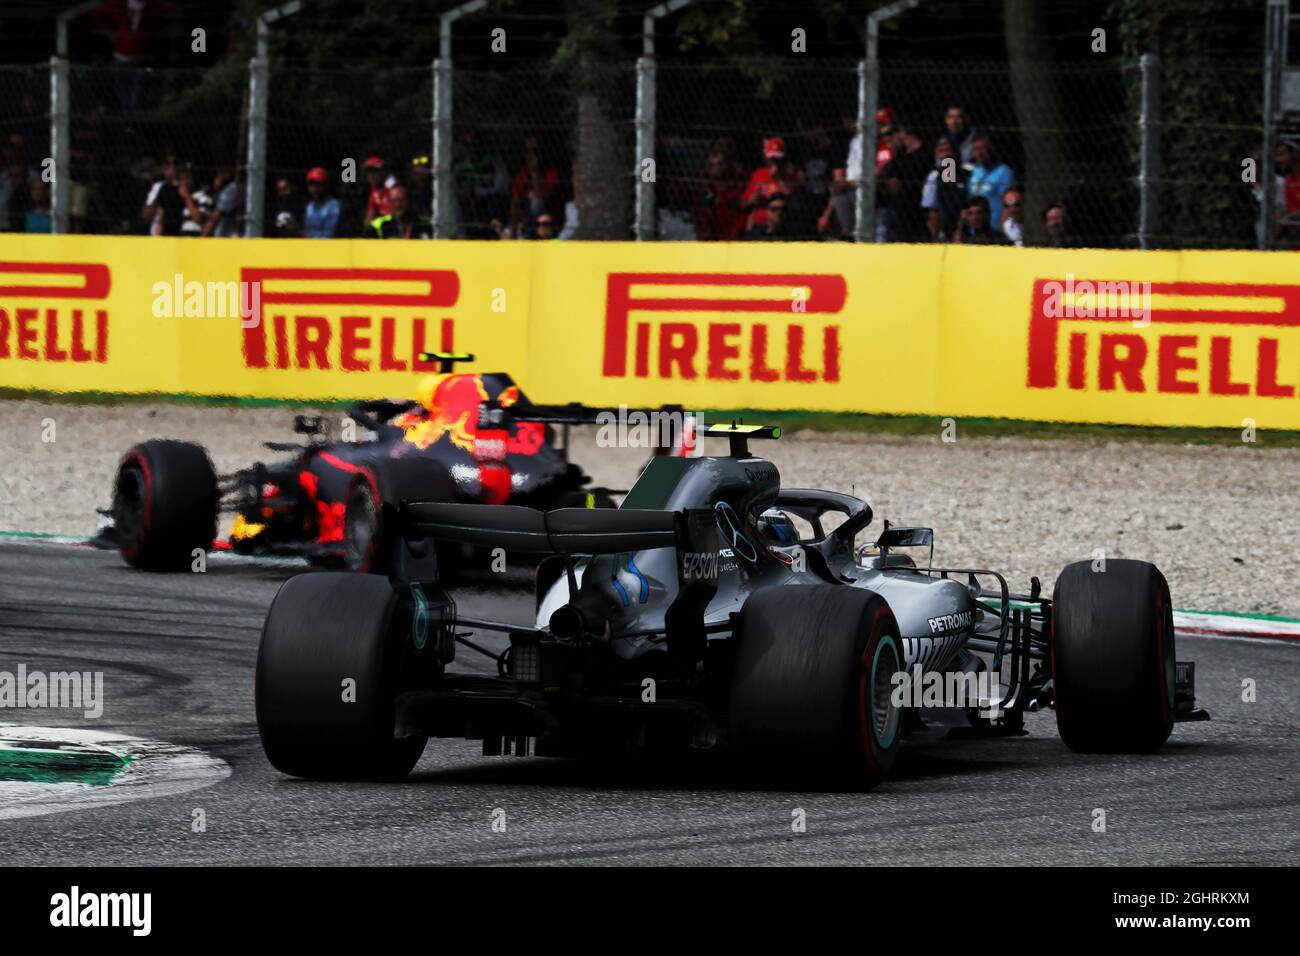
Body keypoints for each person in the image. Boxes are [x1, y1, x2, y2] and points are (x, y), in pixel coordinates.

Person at [878, 124, 930, 243]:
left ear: (902, 133)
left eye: (892, 135)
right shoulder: (900, 155)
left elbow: (948, 180)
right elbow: (884, 177)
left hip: (922, 203)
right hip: (899, 206)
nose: (889, 140)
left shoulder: (932, 151)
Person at [509, 136, 560, 238]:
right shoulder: (522, 174)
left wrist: (535, 173)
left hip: (546, 211)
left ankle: (529, 234)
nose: (531, 155)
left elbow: (544, 195)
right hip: (525, 212)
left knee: (535, 200)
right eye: (528, 152)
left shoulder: (550, 172)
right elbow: (515, 200)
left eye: (535, 151)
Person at [921, 138, 968, 241]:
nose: (945, 154)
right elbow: (931, 208)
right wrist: (935, 236)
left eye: (948, 150)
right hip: (944, 225)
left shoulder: (968, 172)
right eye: (942, 151)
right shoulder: (934, 176)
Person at [691, 150, 745, 240]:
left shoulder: (736, 188)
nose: (716, 168)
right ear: (707, 168)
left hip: (733, 237)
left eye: (719, 164)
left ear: (726, 166)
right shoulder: (702, 189)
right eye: (712, 165)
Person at [741, 136, 790, 232]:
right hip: (759, 224)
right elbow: (745, 203)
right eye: (771, 159)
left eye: (777, 159)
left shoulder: (788, 175)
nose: (774, 162)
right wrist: (753, 199)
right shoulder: (758, 174)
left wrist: (778, 178)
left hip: (780, 226)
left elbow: (790, 196)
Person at [966, 135, 1015, 226]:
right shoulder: (975, 172)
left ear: (991, 149)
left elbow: (1007, 205)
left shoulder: (1004, 172)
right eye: (975, 149)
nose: (979, 153)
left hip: (995, 227)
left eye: (982, 149)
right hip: (974, 229)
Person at [303, 166, 341, 239]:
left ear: (326, 185)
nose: (314, 189)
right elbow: (307, 230)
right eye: (311, 185)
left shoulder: (333, 206)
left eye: (317, 185)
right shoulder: (309, 206)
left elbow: (329, 234)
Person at [200, 167, 240, 237]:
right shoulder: (217, 194)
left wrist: (201, 240)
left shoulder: (231, 190)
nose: (218, 176)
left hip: (228, 238)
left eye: (222, 173)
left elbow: (214, 218)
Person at [362, 156, 394, 230]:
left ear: (383, 172)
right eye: (369, 172)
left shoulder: (393, 187)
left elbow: (397, 214)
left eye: (375, 171)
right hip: (382, 227)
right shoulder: (374, 190)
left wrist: (379, 222)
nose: (371, 176)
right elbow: (370, 213)